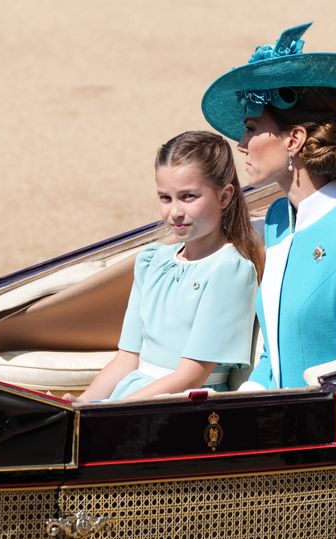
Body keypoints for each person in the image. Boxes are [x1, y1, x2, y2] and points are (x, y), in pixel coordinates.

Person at [202, 23, 336, 390]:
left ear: (294, 139)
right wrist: (246, 401)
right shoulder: (279, 220)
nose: (241, 143)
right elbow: (273, 357)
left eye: (251, 127)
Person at [65, 131, 261, 403]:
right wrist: (81, 404)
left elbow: (189, 377)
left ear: (224, 197)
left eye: (188, 196)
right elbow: (126, 358)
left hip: (184, 405)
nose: (175, 212)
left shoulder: (230, 271)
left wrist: (110, 411)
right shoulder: (152, 261)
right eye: (165, 198)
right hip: (132, 396)